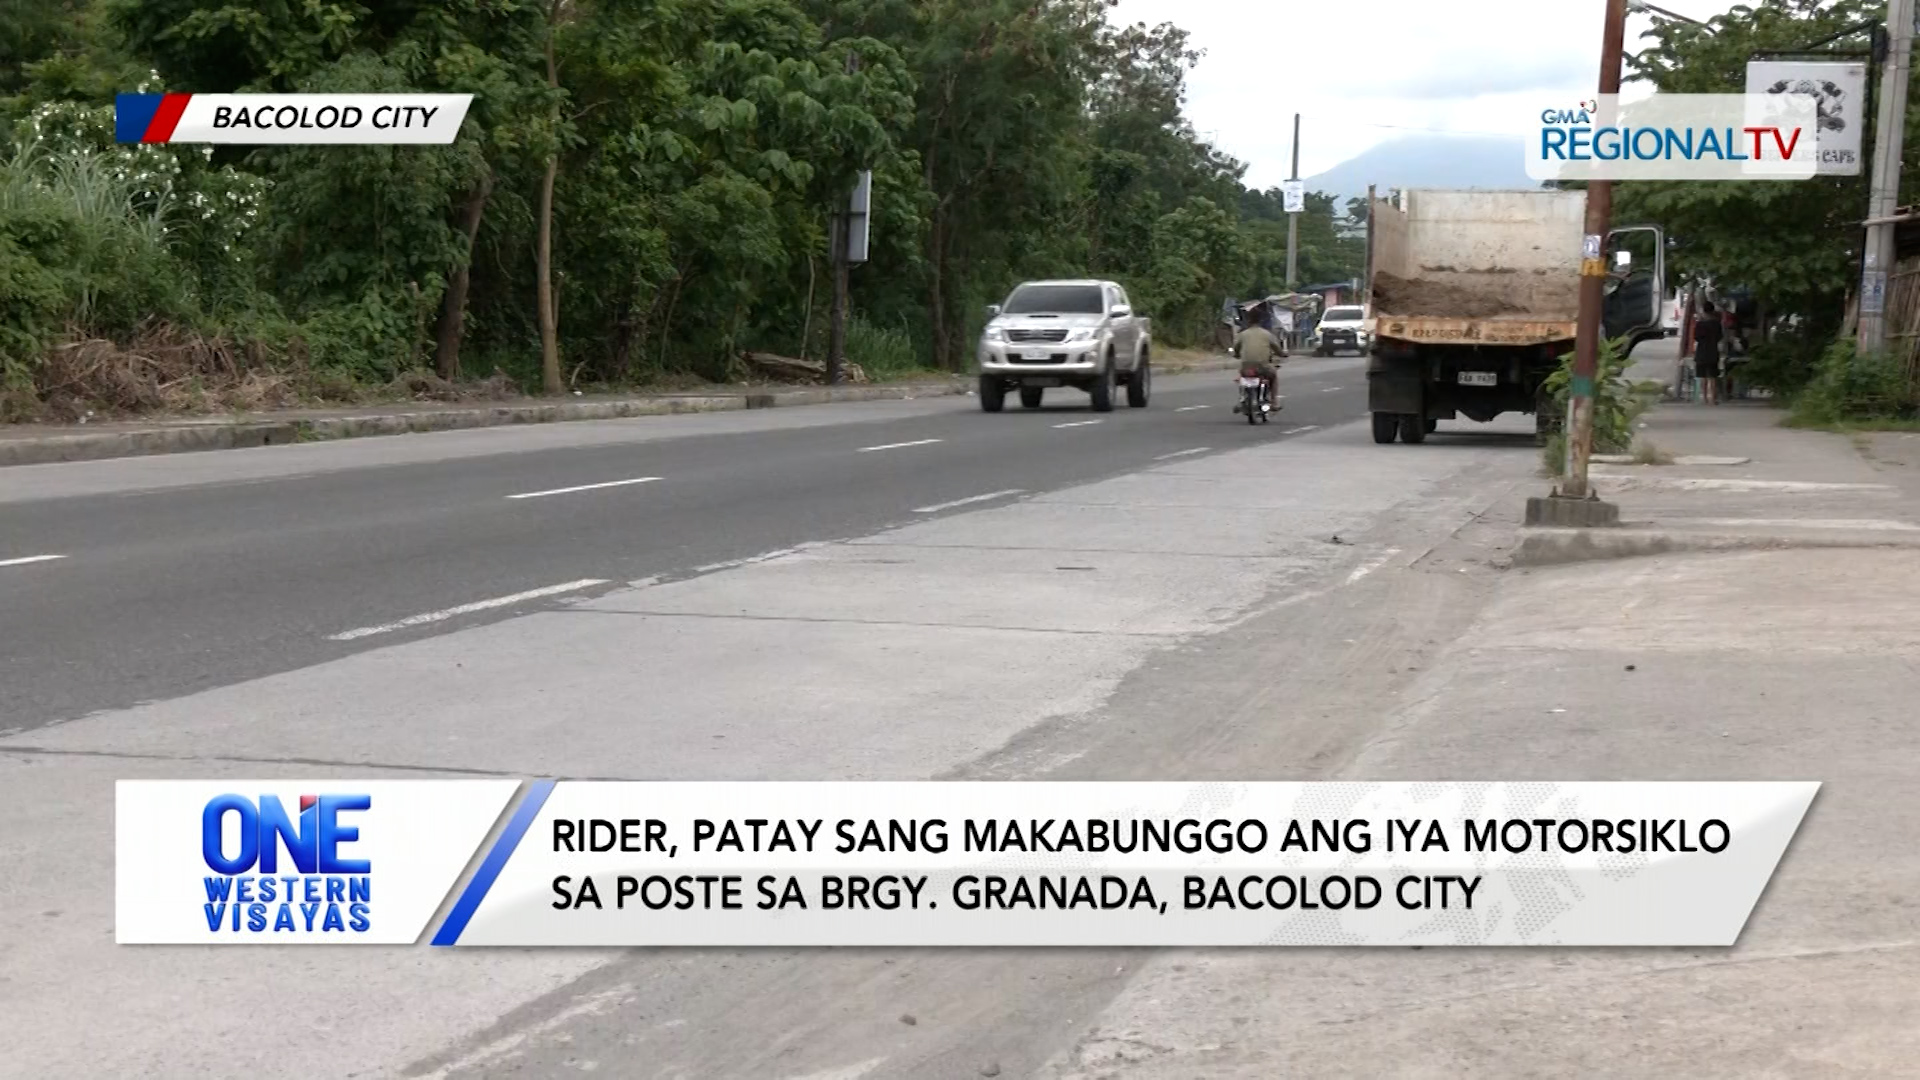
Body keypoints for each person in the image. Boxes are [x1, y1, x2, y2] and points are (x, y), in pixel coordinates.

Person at [1233, 307, 1284, 408]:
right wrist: (1282, 354)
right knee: (1273, 376)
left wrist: (1237, 355)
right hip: (1263, 366)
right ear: (1261, 320)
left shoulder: (1242, 334)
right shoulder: (1267, 334)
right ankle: (1274, 402)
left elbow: (1236, 349)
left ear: (1248, 320)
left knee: (1242, 376)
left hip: (1245, 367)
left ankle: (1242, 398)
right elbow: (1277, 348)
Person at [1692, 300, 1725, 405]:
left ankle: (1705, 398)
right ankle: (1713, 398)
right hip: (1713, 351)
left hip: (1701, 351)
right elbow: (1720, 337)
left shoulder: (1700, 324)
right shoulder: (1717, 324)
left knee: (1703, 376)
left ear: (1703, 310)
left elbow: (1696, 337)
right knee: (1713, 376)